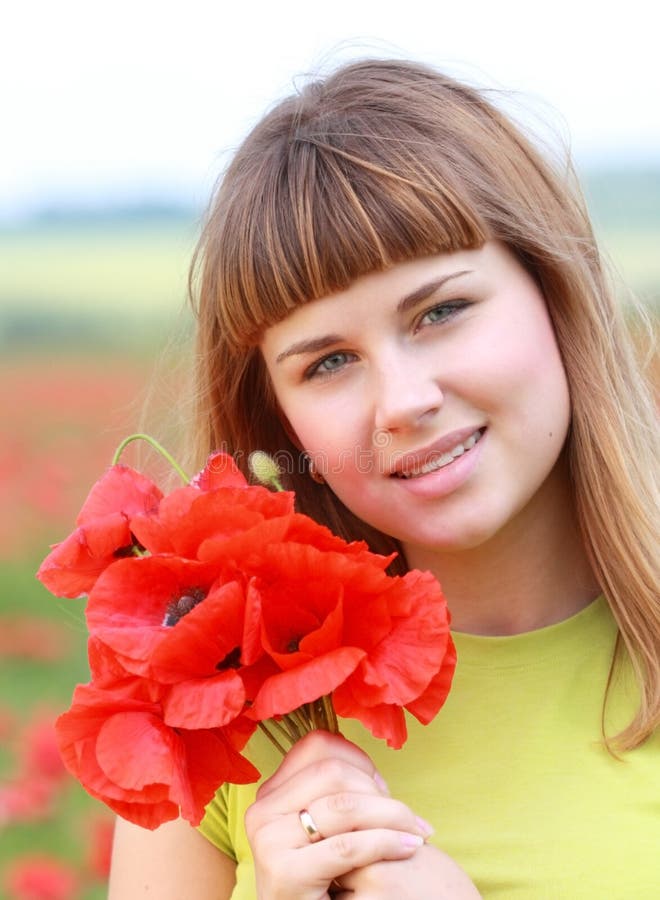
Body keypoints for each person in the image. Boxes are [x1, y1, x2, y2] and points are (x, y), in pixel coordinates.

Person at [108, 59, 659, 899]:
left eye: (441, 311)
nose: (404, 403)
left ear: (553, 289)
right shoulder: (218, 718)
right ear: (278, 420)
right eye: (329, 362)